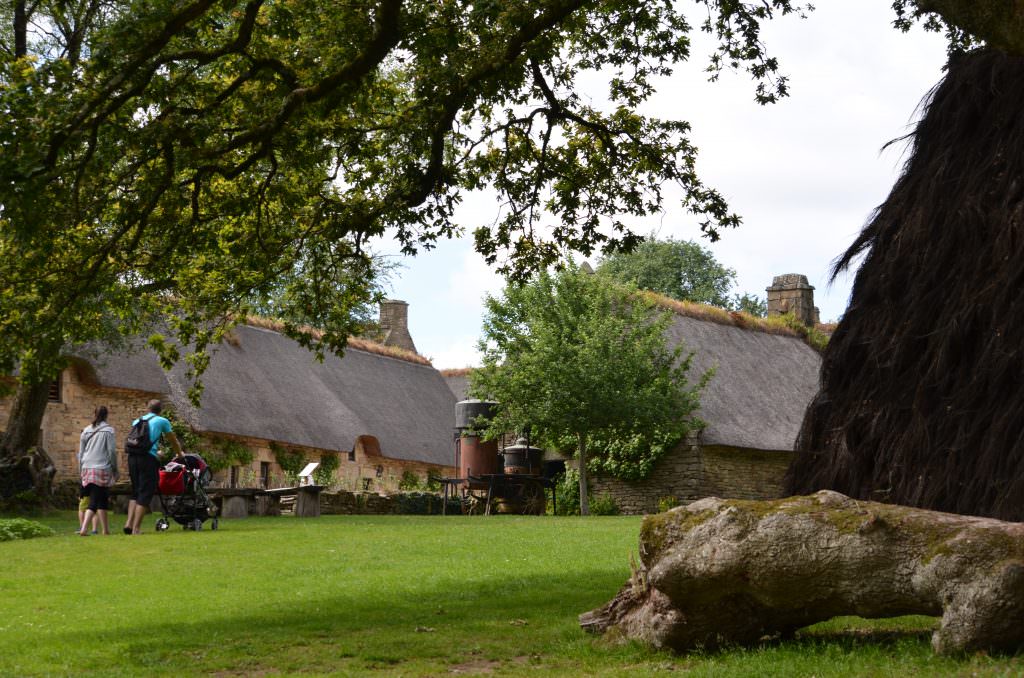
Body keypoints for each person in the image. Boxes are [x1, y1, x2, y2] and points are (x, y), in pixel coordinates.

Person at [124, 399, 181, 535]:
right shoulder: (162, 421)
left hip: (132, 457)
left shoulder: (137, 421)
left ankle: (129, 524)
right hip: (147, 459)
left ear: (148, 408)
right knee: (145, 491)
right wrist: (179, 453)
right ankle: (136, 529)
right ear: (160, 410)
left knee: (136, 491)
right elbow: (172, 439)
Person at [78, 405, 118, 536]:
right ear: (107, 415)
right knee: (95, 500)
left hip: (87, 467)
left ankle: (105, 530)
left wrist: (81, 470)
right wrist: (115, 469)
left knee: (102, 499)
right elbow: (111, 452)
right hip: (101, 468)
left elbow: (81, 453)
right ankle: (84, 529)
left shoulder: (86, 430)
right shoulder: (108, 431)